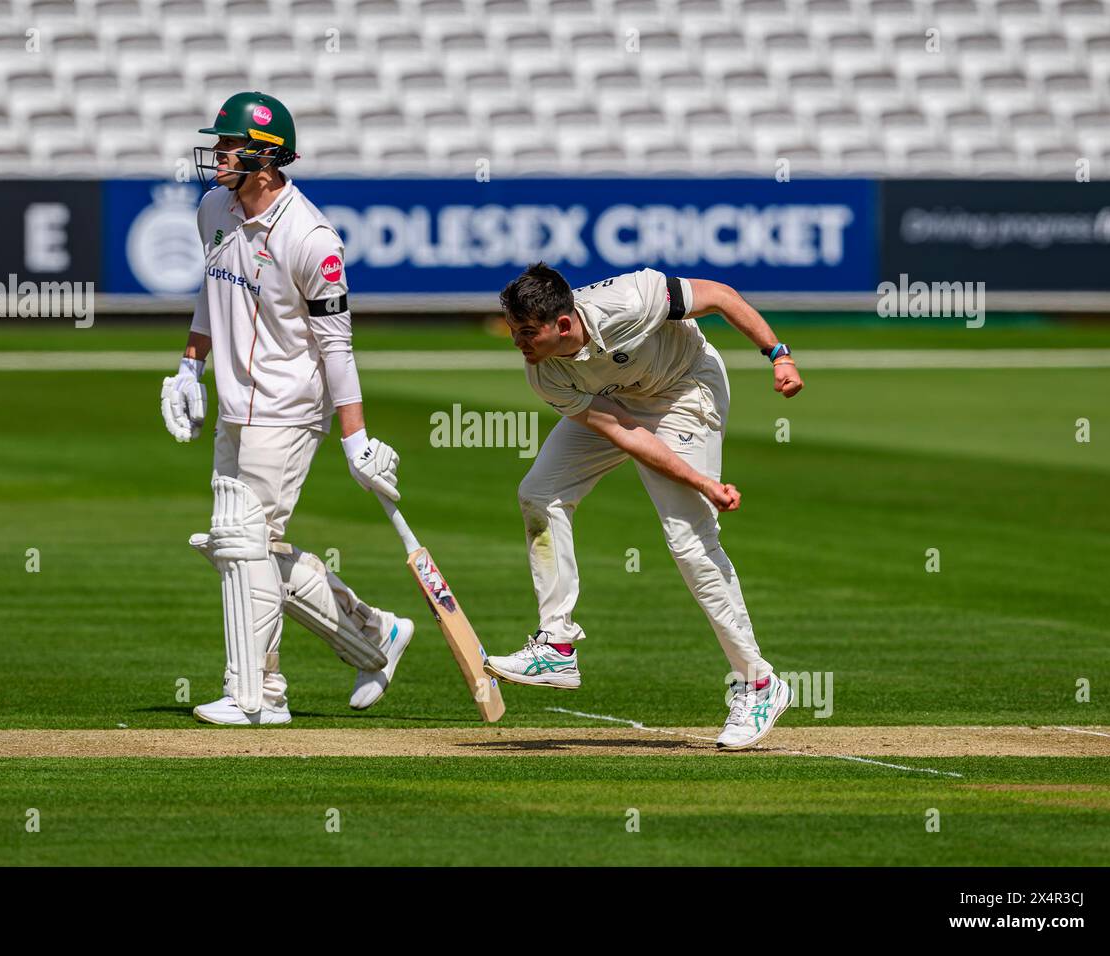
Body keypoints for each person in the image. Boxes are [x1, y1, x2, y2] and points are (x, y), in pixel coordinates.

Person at [160, 91, 413, 726]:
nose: (217, 156)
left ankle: (259, 697)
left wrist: (355, 439)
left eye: (228, 146)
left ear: (266, 159)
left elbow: (337, 345)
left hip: (288, 406)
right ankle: (374, 635)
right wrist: (190, 366)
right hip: (234, 403)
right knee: (248, 545)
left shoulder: (312, 237)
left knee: (244, 542)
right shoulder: (215, 208)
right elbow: (211, 291)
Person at [485, 263, 805, 749]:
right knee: (540, 492)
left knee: (690, 542)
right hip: (618, 403)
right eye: (514, 332)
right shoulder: (545, 372)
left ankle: (759, 682)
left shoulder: (635, 298)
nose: (519, 344)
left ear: (564, 324)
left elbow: (720, 295)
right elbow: (623, 431)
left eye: (529, 332)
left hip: (686, 389)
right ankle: (557, 645)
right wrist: (698, 479)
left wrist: (777, 355)